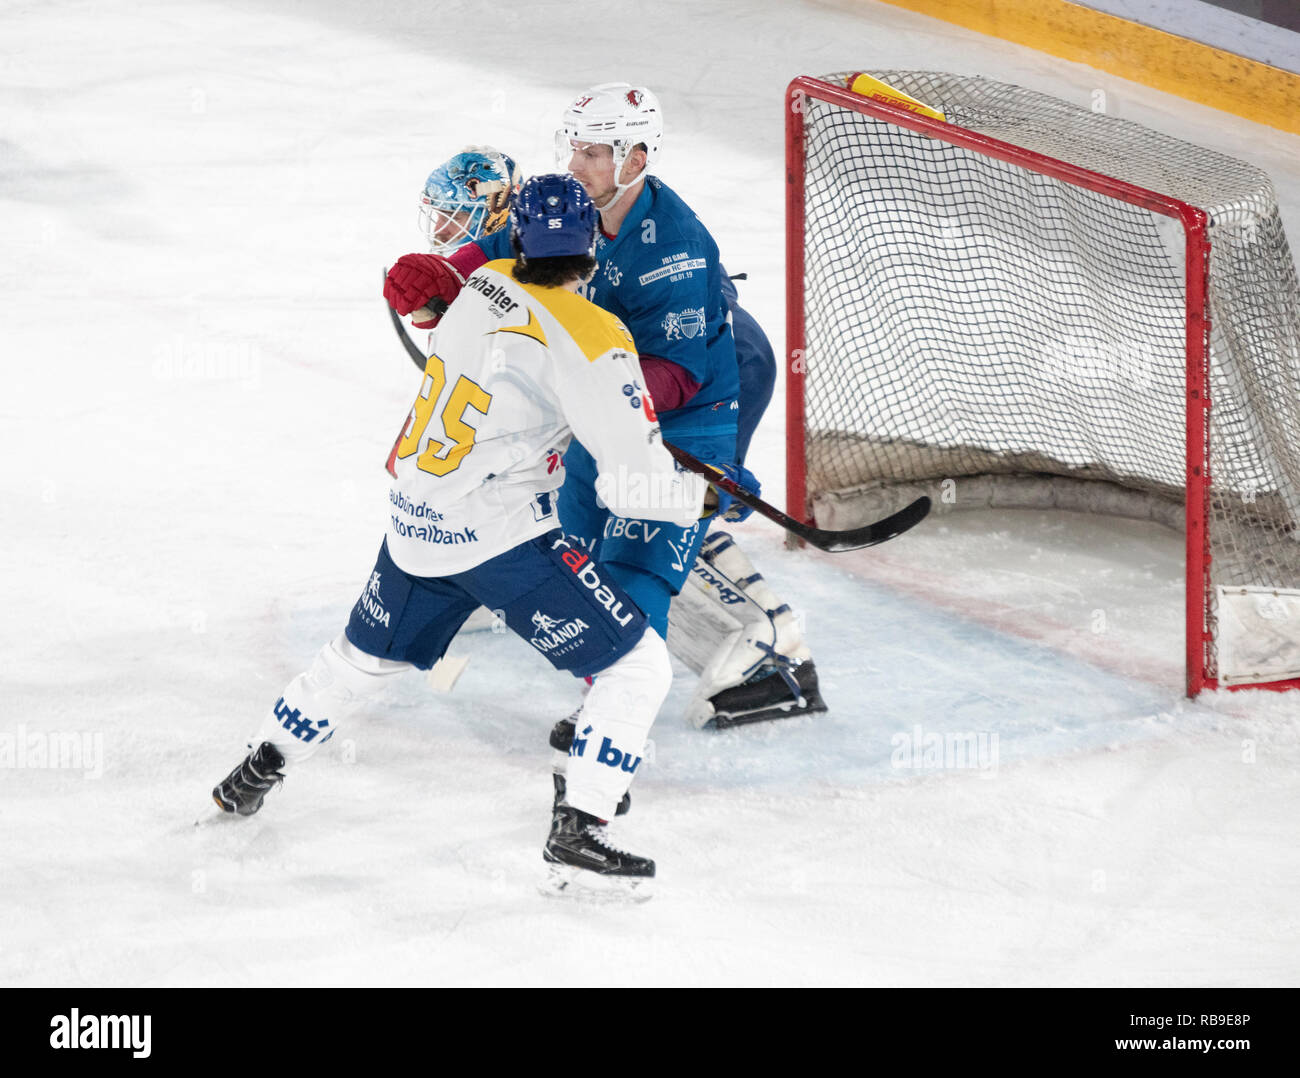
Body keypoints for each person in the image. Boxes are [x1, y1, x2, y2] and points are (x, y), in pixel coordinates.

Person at [213, 174, 707, 893]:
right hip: (498, 537)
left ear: (518, 240)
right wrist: (691, 498)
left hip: (414, 521)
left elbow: (484, 323)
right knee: (639, 666)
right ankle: (581, 824)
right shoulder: (594, 334)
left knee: (359, 659)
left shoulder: (484, 288)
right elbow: (629, 478)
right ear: (593, 246)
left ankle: (256, 769)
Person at [383, 85, 826, 740]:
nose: (576, 163)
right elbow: (503, 254)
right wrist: (442, 279)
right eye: (574, 147)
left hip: (701, 391)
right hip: (610, 382)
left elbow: (677, 374)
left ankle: (766, 658)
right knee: (573, 527)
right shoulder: (577, 206)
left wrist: (577, 392)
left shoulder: (672, 244)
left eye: (592, 151)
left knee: (642, 549)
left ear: (636, 157)